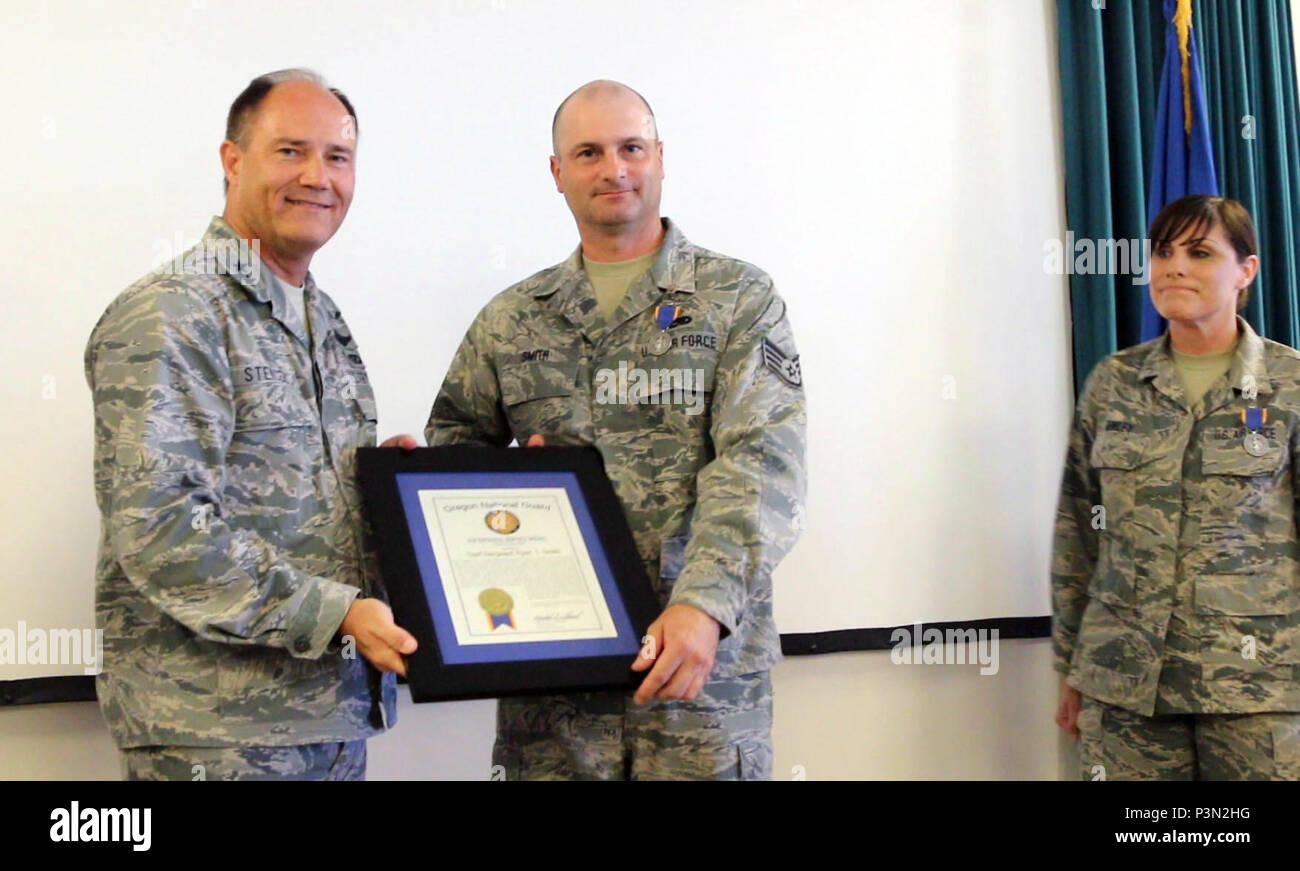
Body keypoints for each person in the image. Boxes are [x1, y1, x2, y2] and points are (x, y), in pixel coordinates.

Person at [425, 79, 807, 780]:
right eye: (589, 152)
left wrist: (704, 602)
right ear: (558, 172)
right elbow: (453, 450)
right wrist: (500, 489)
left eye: (632, 147)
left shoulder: (737, 299)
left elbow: (763, 463)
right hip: (552, 692)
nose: (614, 169)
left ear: (661, 157)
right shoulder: (514, 318)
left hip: (700, 678)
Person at [85, 69, 418, 781]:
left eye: (337, 157)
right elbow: (160, 526)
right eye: (290, 151)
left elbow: (291, 497)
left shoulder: (322, 319)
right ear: (233, 161)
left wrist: (390, 489)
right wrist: (333, 613)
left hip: (329, 720)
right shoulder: (174, 313)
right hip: (216, 736)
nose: (317, 177)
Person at [1052, 194, 1300, 780]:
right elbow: (1075, 533)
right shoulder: (1114, 383)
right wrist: (1073, 666)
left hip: (1255, 690)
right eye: (1163, 252)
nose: (1175, 267)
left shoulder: (1289, 385)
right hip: (1127, 688)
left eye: (1200, 252)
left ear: (1246, 270)